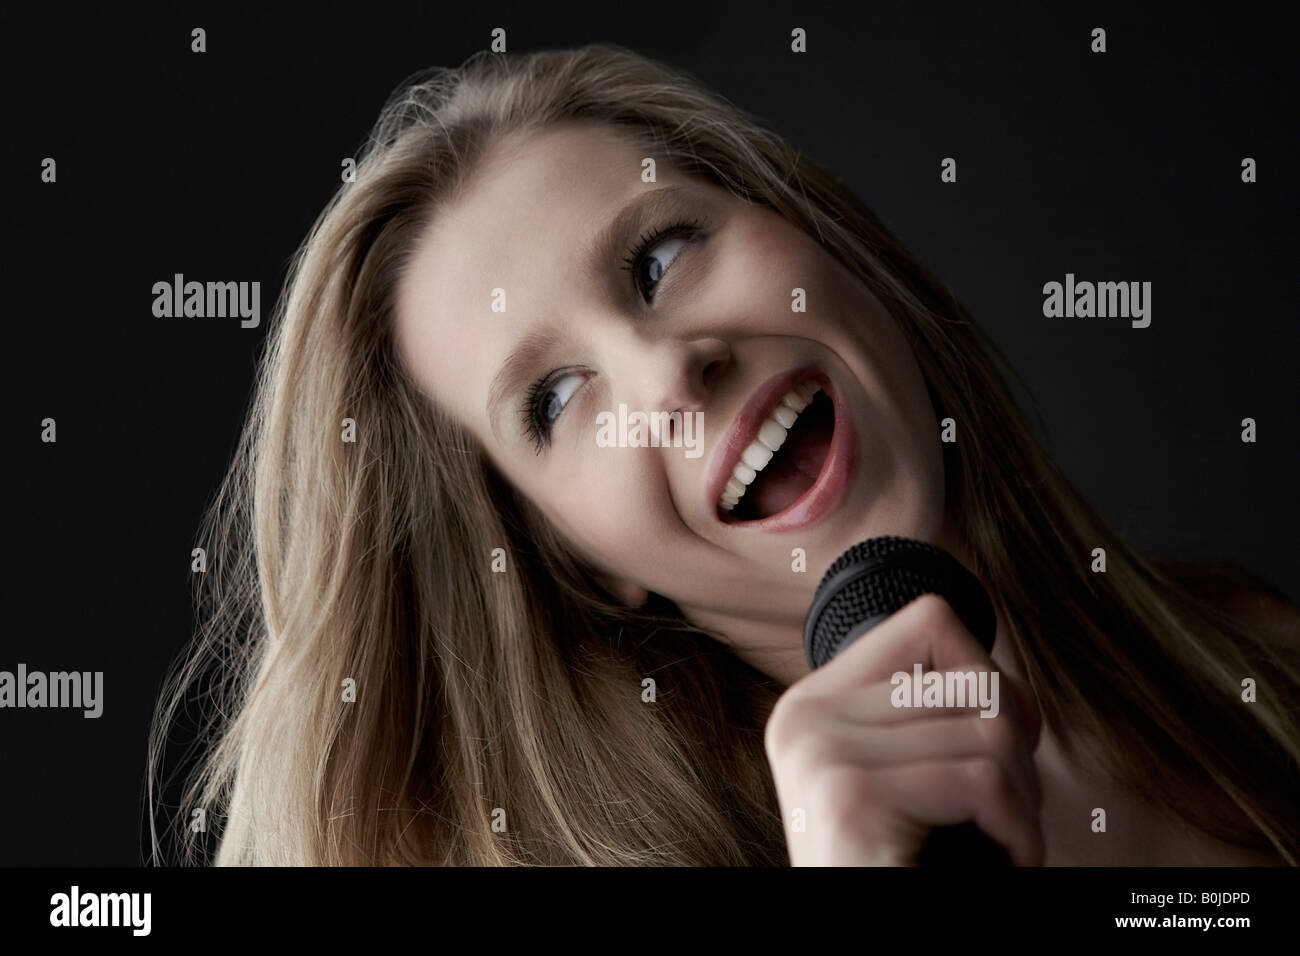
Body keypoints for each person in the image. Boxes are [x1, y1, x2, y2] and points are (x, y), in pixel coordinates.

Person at [147, 43, 1300, 866]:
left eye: (659, 258)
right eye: (556, 398)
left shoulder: (1263, 657)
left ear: (816, 238)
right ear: (578, 558)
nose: (666, 374)